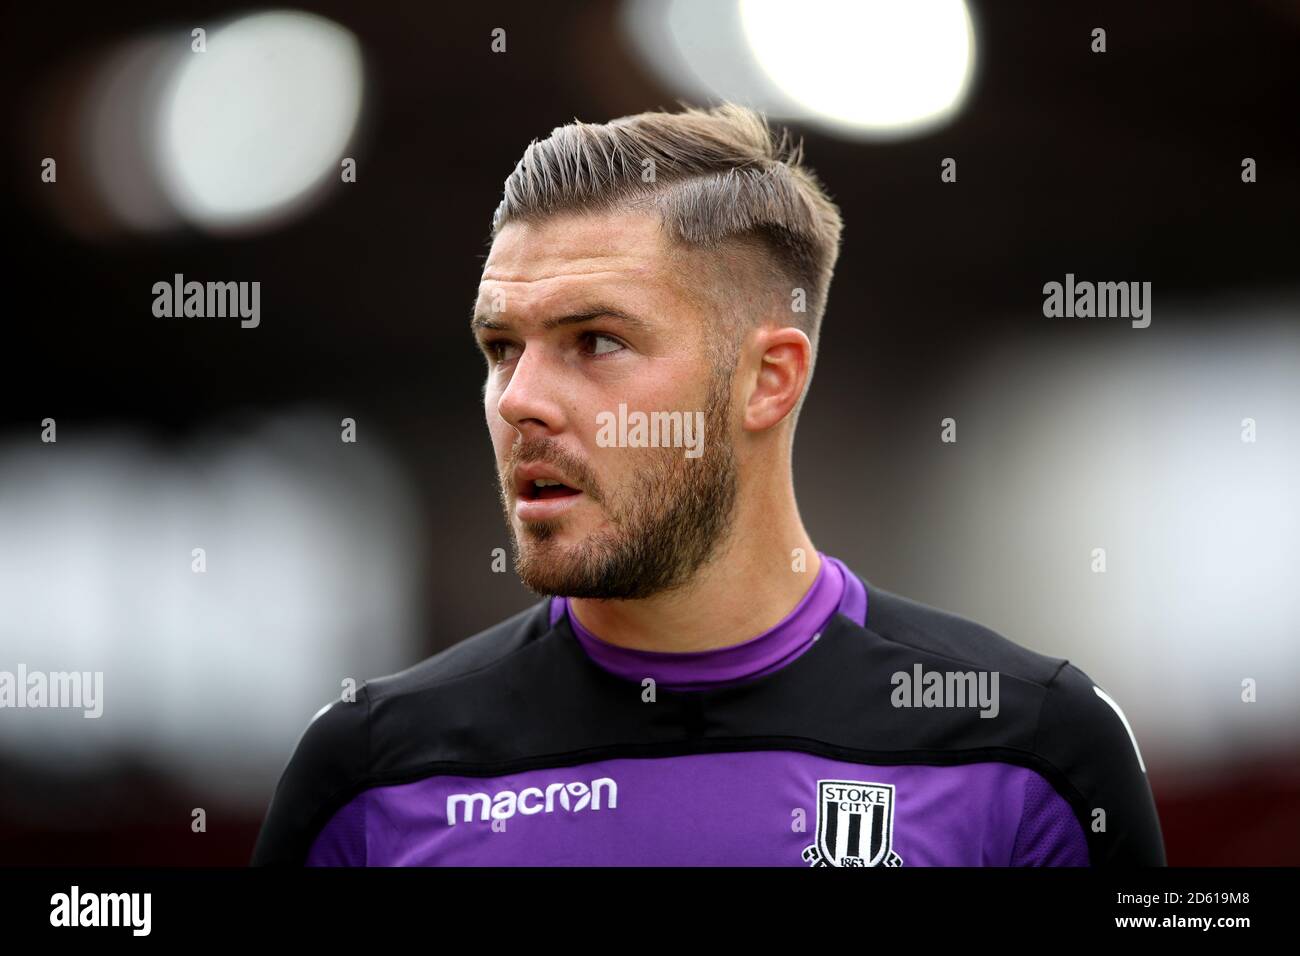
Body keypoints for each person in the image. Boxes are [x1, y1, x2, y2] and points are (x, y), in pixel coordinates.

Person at [252, 103, 1165, 866]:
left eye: (595, 341)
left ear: (768, 380)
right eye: (501, 349)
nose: (519, 401)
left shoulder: (1029, 751)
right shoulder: (371, 778)